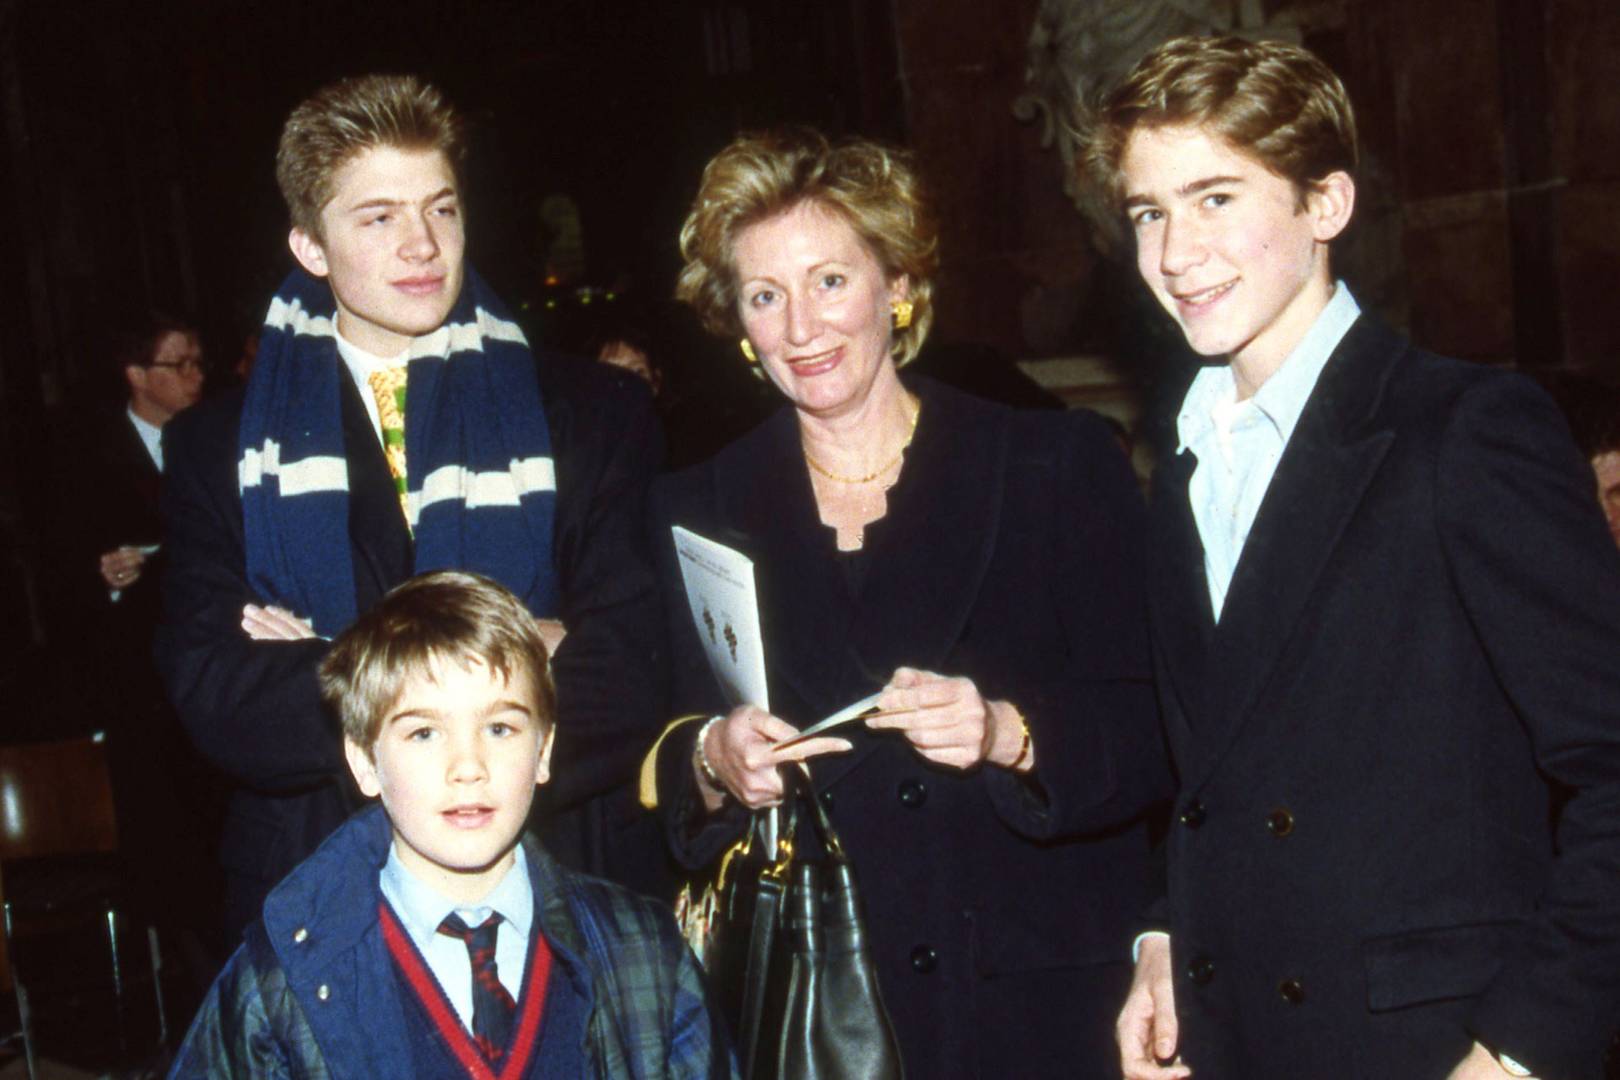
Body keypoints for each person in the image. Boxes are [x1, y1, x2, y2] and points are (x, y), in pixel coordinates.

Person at [1088, 35, 1620, 1080]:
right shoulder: (1186, 462)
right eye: (1148, 212)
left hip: (1436, 1046)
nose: (1176, 253)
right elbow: (1214, 777)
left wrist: (1521, 1050)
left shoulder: (1462, 430)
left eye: (1215, 199)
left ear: (1325, 205)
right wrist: (1164, 936)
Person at [644, 129, 1172, 1079]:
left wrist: (1009, 732)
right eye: (765, 296)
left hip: (1036, 1015)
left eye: (830, 281)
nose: (801, 328)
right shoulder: (700, 505)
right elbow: (678, 738)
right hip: (821, 1020)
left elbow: (1157, 731)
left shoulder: (1052, 467)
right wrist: (716, 761)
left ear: (899, 284)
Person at [156, 74, 669, 943]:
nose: (423, 244)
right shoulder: (220, 448)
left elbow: (630, 672)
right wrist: (511, 657)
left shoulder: (594, 413)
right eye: (378, 218)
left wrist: (336, 658)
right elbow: (222, 700)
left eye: (441, 209)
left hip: (563, 881)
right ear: (311, 246)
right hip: (318, 893)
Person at [169, 571, 733, 1077]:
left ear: (543, 751)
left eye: (500, 729)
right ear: (364, 761)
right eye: (423, 733)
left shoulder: (645, 954)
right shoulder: (283, 980)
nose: (468, 767)